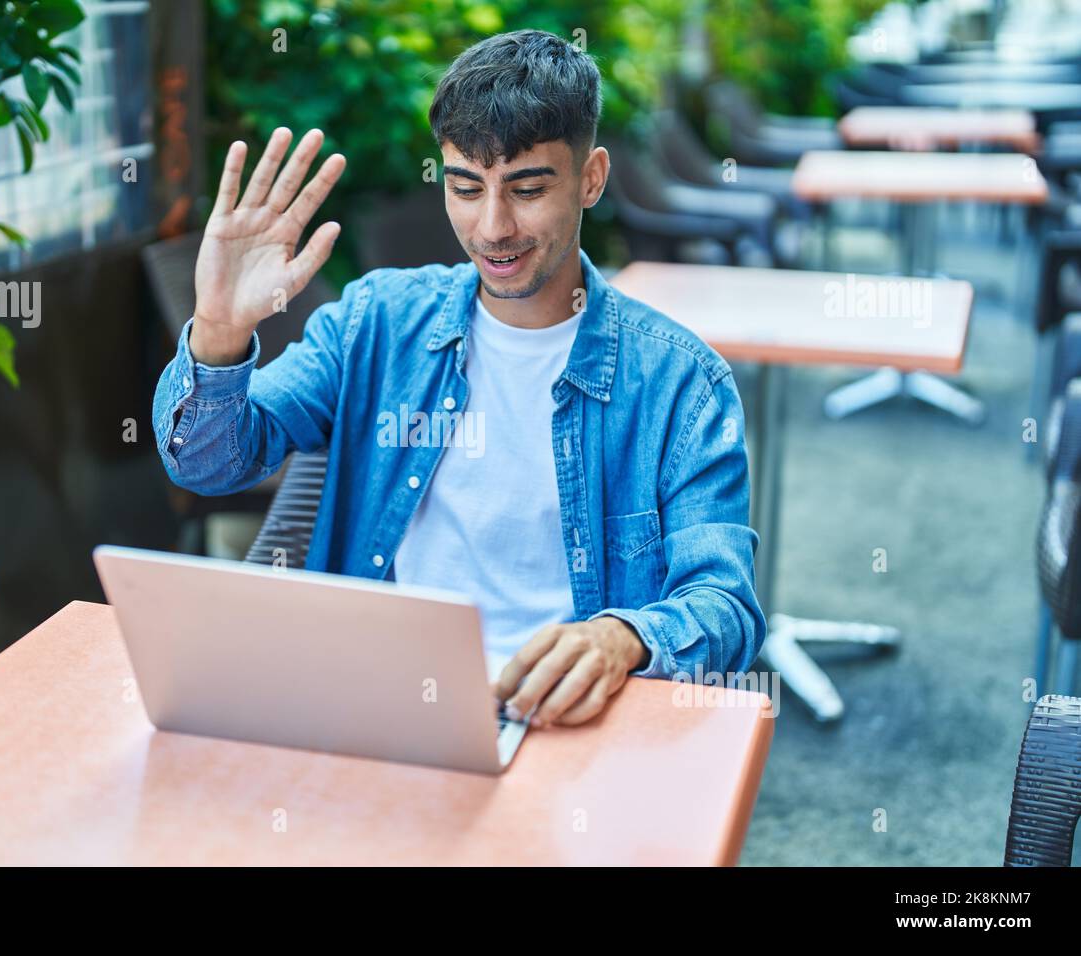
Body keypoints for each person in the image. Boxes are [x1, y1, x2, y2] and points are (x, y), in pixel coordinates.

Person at [153, 29, 764, 728]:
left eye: (528, 189)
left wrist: (621, 639)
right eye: (466, 189)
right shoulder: (375, 323)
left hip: (559, 719)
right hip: (371, 702)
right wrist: (221, 332)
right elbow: (204, 465)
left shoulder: (679, 384)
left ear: (591, 178)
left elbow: (725, 607)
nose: (492, 227)